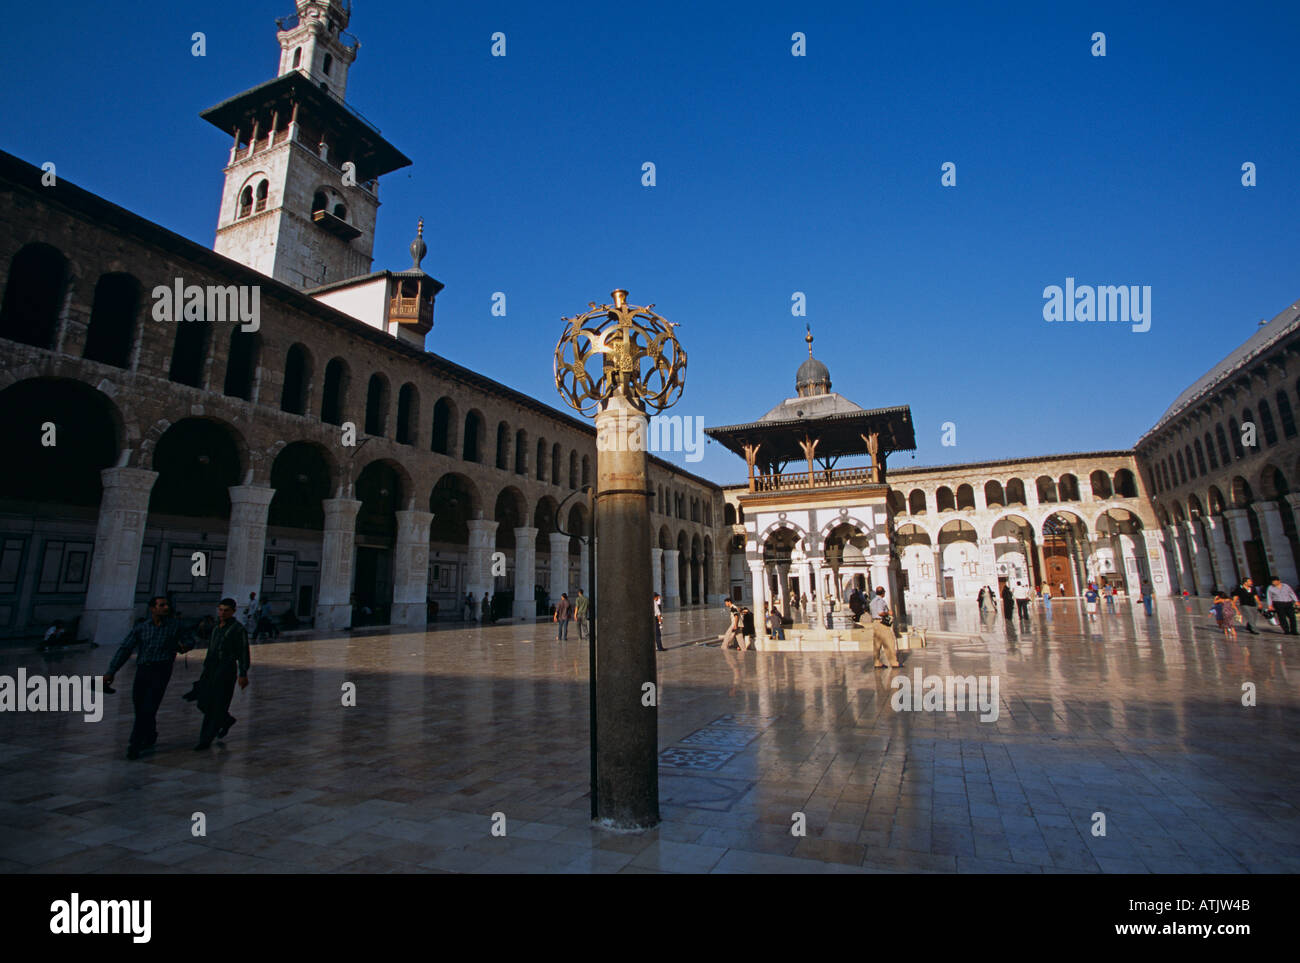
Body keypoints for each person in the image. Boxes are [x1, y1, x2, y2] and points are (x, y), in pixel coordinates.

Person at [104, 596, 194, 760]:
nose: (166, 608)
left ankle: (134, 744)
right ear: (152, 608)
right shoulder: (142, 628)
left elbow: (190, 641)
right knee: (140, 705)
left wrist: (183, 647)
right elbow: (125, 649)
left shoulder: (175, 626)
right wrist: (111, 671)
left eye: (167, 605)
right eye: (162, 605)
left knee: (149, 705)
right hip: (143, 670)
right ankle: (150, 733)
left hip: (162, 670)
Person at [193, 598, 250, 751]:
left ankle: (205, 739)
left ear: (233, 611)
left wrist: (243, 673)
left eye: (226, 611)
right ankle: (225, 720)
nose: (222, 613)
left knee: (217, 704)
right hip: (210, 669)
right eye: (220, 610)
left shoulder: (238, 629)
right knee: (203, 701)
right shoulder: (215, 627)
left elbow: (243, 651)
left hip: (226, 670)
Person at [868, 586, 900, 669]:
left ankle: (877, 662)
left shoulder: (872, 601)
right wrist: (888, 613)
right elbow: (880, 612)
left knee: (877, 644)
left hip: (875, 623)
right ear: (883, 593)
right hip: (881, 623)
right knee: (889, 642)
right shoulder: (880, 601)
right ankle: (894, 662)